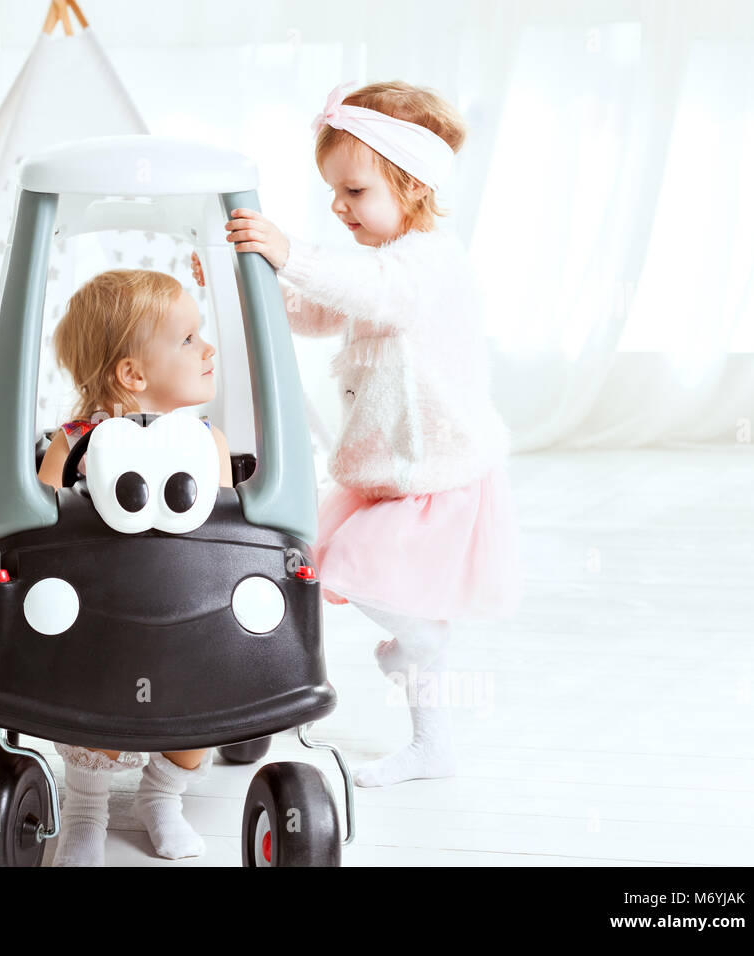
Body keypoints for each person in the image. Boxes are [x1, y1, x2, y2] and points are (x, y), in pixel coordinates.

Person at [192, 80, 522, 788]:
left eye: (355, 191)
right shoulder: (383, 260)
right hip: (389, 472)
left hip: (438, 475)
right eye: (334, 193)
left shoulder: (425, 263)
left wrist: (290, 252)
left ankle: (418, 644)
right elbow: (319, 311)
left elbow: (368, 290)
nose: (340, 207)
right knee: (334, 565)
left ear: (413, 186)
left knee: (347, 569)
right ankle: (430, 731)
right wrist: (238, 281)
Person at [37, 268, 234, 866]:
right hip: (96, 614)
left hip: (186, 610)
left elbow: (225, 539)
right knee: (90, 714)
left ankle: (161, 798)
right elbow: (39, 531)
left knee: (200, 713)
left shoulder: (207, 441)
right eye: (188, 339)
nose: (208, 349)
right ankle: (85, 810)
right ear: (133, 374)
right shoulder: (72, 443)